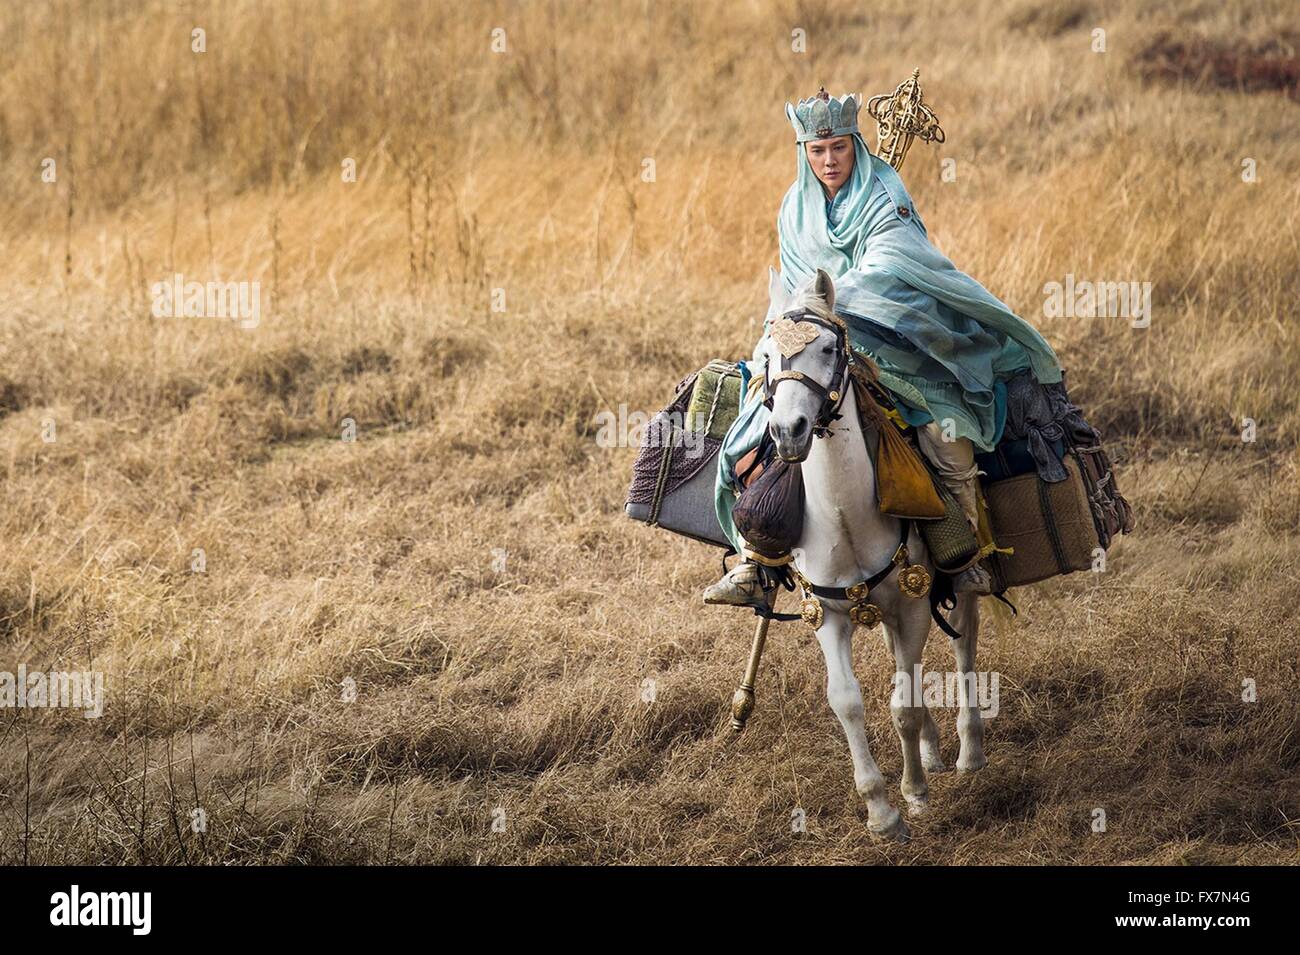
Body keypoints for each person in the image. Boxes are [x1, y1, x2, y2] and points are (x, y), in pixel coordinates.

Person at [704, 86, 1064, 608]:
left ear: (856, 144)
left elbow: (894, 270)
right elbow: (790, 284)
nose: (829, 161)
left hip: (892, 343)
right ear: (804, 152)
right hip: (809, 338)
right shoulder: (793, 206)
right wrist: (799, 320)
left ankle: (969, 557)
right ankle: (755, 560)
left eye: (839, 148)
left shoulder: (885, 194)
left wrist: (833, 303)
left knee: (945, 437)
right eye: (817, 151)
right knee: (758, 424)